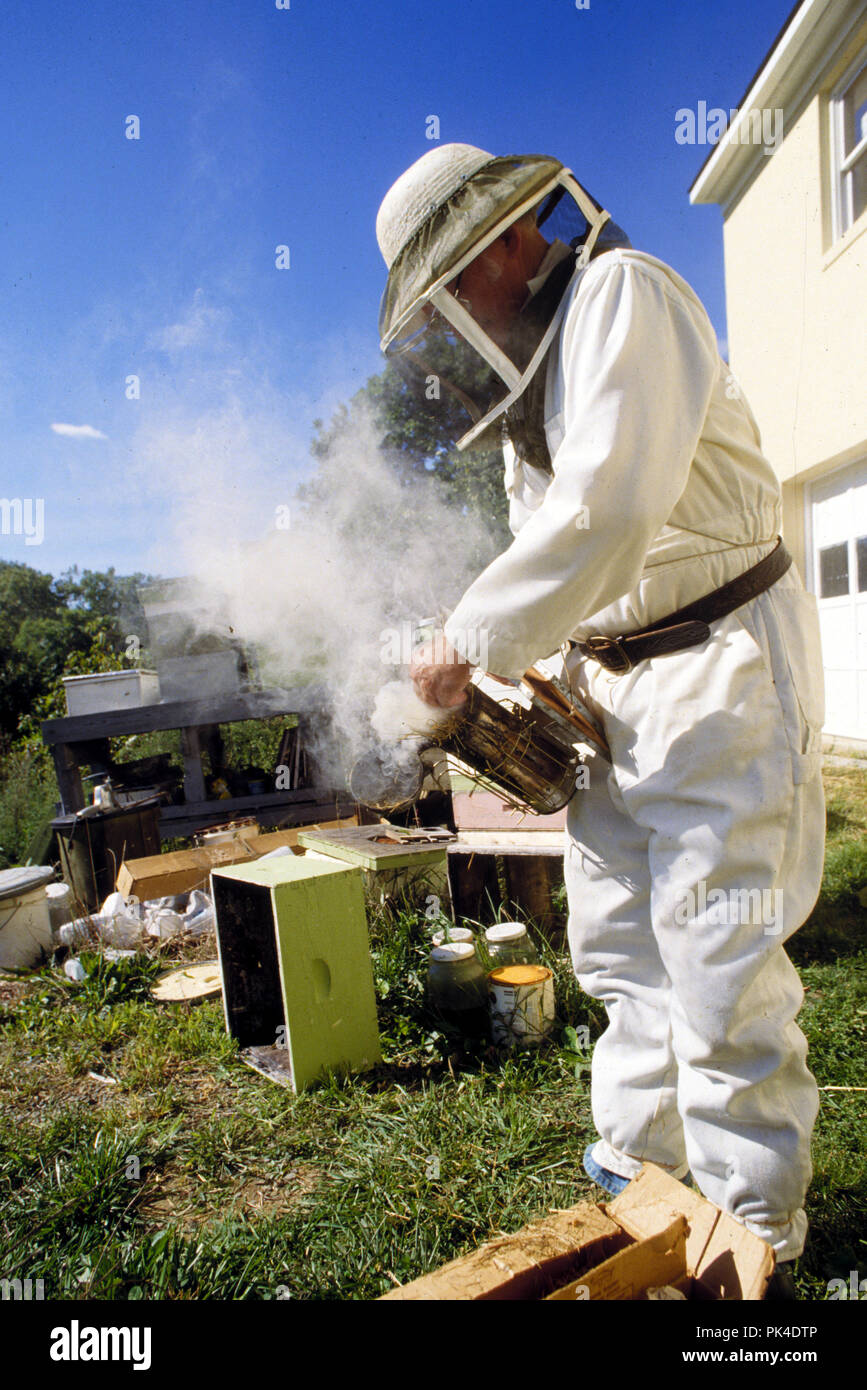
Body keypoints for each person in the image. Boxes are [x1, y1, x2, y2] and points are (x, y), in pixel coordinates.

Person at [375, 143, 826, 1291]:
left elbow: (611, 510)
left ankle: (749, 1232)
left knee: (718, 954)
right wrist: (485, 680)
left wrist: (469, 639)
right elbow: (555, 561)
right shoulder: (532, 402)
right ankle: (644, 1176)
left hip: (714, 662)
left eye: (446, 292)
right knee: (625, 952)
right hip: (613, 695)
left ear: (502, 244)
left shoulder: (626, 296)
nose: (452, 323)